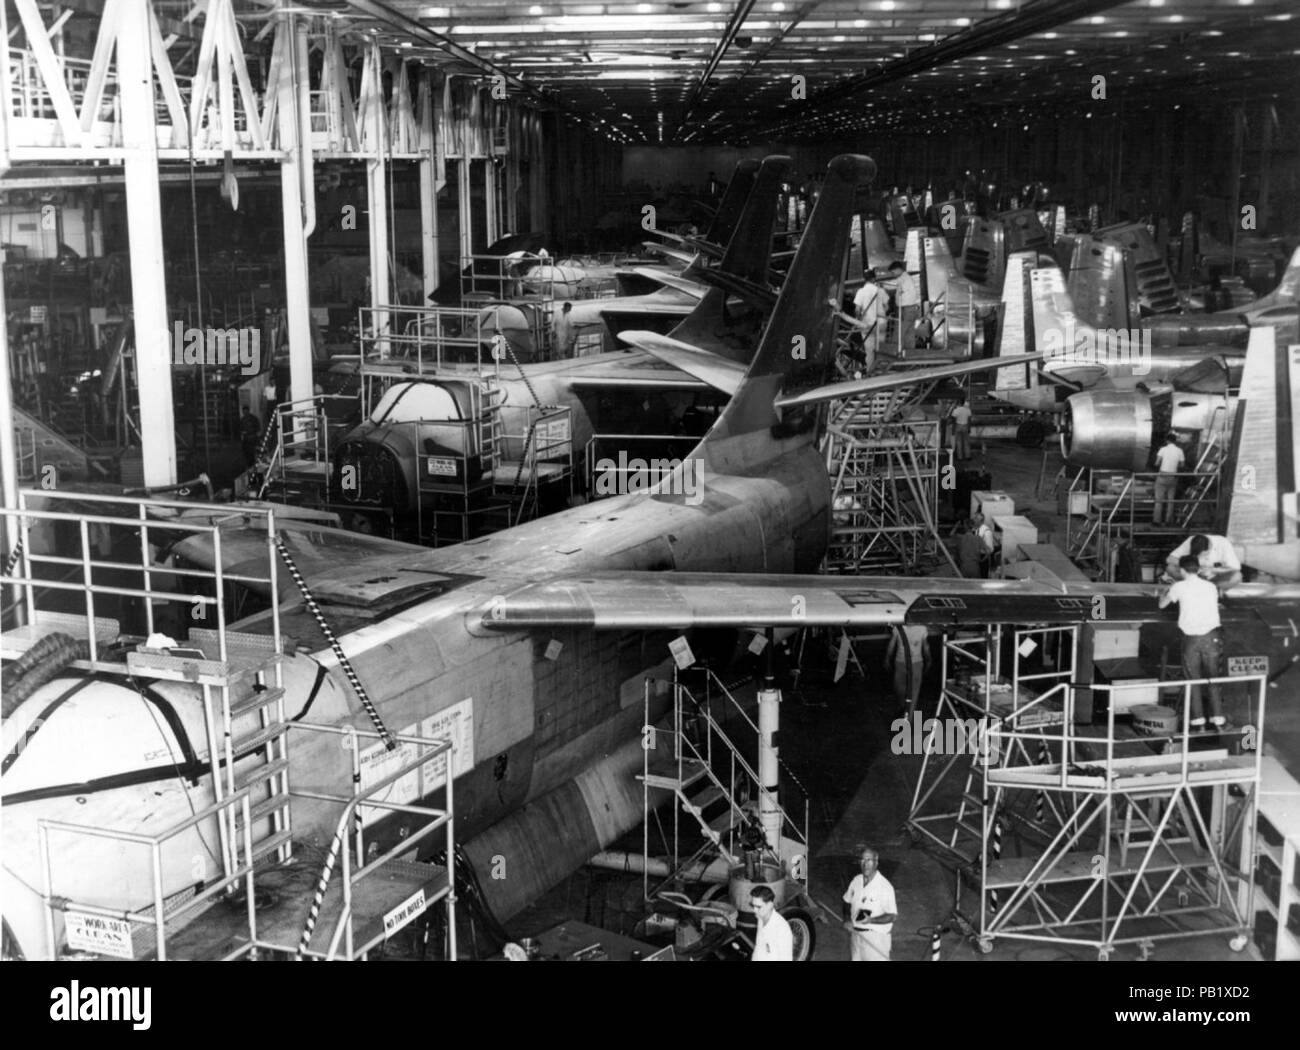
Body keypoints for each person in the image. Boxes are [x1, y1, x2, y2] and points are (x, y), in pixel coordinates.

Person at [1158, 554, 1227, 729]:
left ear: (1181, 570)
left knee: (1193, 680)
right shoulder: (1211, 586)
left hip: (1191, 640)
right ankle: (1219, 721)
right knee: (1213, 679)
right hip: (1212, 637)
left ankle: (1199, 723)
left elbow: (1162, 606)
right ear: (1198, 569)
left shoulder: (1178, 586)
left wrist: (1163, 592)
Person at [842, 846, 897, 961]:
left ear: (876, 863)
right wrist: (847, 918)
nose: (865, 864)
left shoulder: (885, 887)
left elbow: (892, 916)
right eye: (862, 860)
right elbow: (847, 901)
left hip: (876, 939)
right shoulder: (856, 880)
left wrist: (871, 920)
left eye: (869, 860)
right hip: (856, 935)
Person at [1165, 533, 1242, 591]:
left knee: (1237, 576)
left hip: (1214, 577)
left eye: (1202, 555)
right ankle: (1188, 587)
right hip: (1194, 576)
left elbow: (1235, 567)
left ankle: (1214, 591)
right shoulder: (1191, 540)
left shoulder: (1223, 543)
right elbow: (1170, 559)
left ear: (1209, 547)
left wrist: (1213, 570)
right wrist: (1192, 566)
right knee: (1170, 568)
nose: (1200, 557)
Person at [886, 624, 931, 715]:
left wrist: (928, 659)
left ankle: (907, 718)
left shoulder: (921, 628)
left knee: (910, 691)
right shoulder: (899, 628)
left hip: (911, 663)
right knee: (903, 690)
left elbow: (925, 646)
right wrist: (887, 658)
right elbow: (892, 644)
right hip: (905, 663)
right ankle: (905, 709)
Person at [749, 884, 793, 961]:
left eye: (758, 907)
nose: (754, 910)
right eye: (753, 906)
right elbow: (759, 947)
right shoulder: (761, 917)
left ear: (770, 905)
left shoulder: (782, 930)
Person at [887, 261, 921, 356]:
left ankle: (894, 355)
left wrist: (879, 285)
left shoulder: (903, 279)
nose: (893, 275)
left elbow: (890, 285)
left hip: (906, 310)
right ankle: (910, 356)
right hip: (912, 309)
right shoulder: (907, 278)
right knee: (909, 335)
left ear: (898, 270)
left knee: (898, 334)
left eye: (893, 272)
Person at [1152, 433, 1184, 525]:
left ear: (1167, 441)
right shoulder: (1180, 450)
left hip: (1163, 475)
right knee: (1171, 500)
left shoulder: (1163, 449)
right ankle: (1168, 521)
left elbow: (1157, 463)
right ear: (1175, 441)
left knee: (1159, 500)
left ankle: (1156, 521)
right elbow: (1182, 465)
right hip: (1173, 476)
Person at [972, 512, 997, 577]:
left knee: (983, 575)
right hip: (978, 556)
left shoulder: (986, 532)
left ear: (980, 521)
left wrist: (982, 560)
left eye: (975, 518)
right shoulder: (976, 529)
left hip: (984, 558)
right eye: (974, 518)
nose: (973, 520)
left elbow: (990, 549)